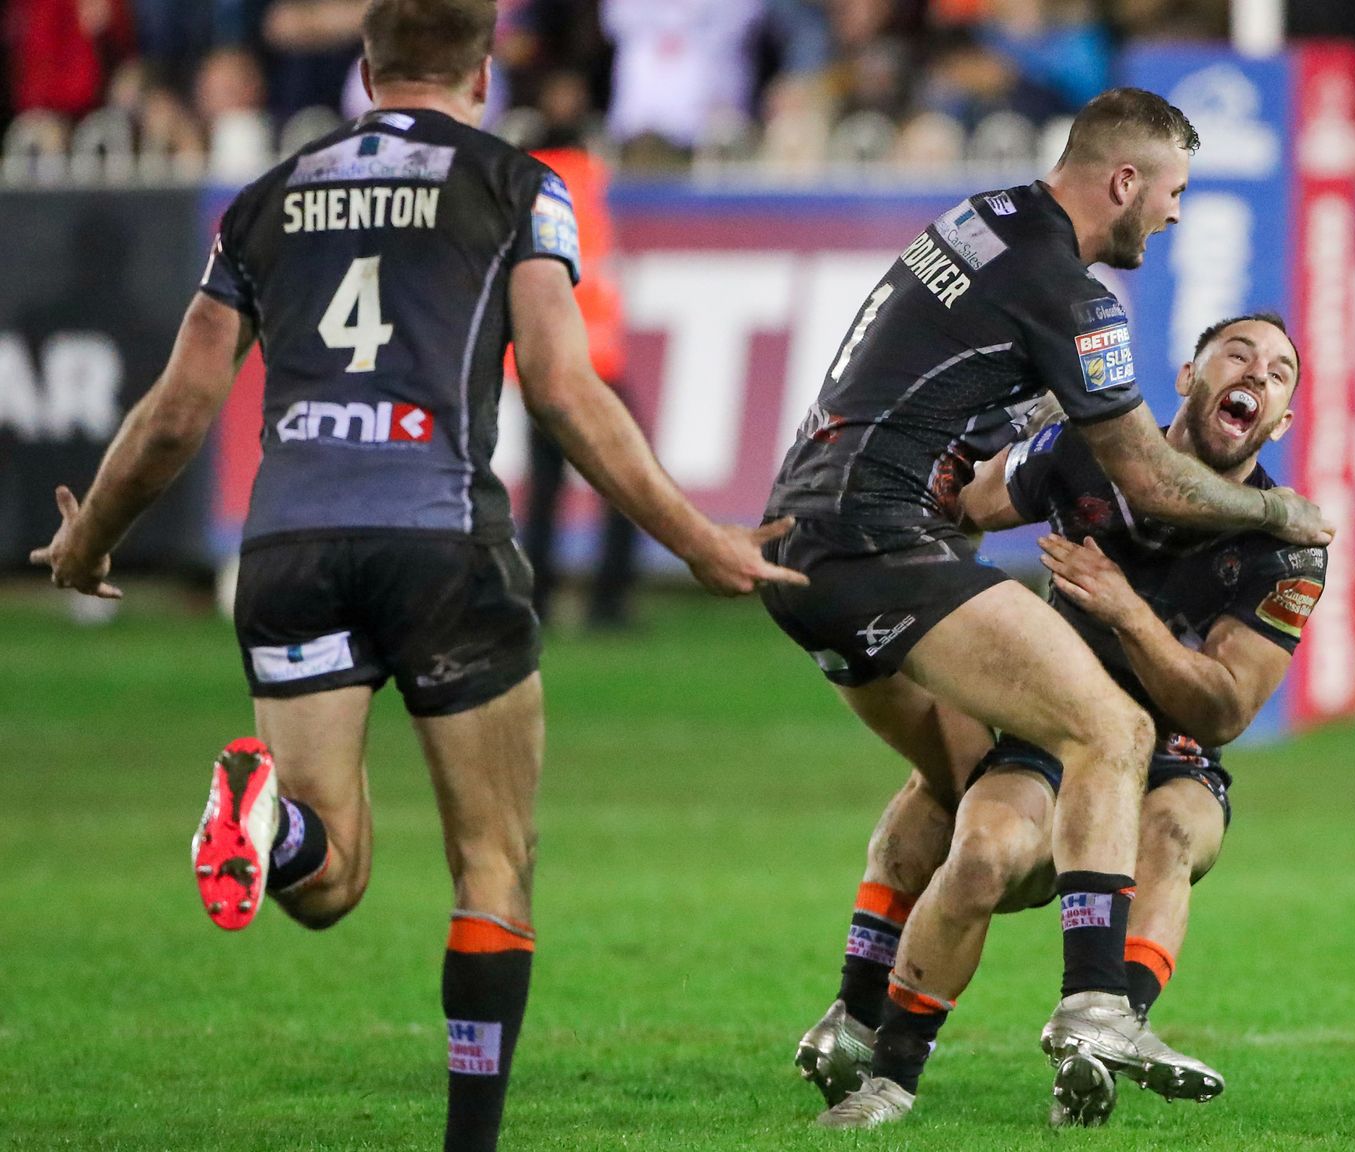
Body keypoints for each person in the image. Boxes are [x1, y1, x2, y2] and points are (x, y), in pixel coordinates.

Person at [29, 2, 803, 1149]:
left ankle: (267, 825)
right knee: (492, 861)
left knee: (327, 877)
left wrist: (92, 535)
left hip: (289, 551)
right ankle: (468, 1144)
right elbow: (562, 385)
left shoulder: (268, 196)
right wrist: (695, 538)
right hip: (441, 544)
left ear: (364, 69)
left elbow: (181, 408)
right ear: (482, 75)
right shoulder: (514, 184)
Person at [758, 86, 1333, 1118]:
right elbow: (1149, 479)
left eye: (1278, 371)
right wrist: (1277, 512)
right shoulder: (1070, 302)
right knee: (1106, 728)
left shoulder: (980, 223)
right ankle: (1092, 1005)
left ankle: (861, 1037)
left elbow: (1219, 707)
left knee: (961, 794)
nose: (1171, 215)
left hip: (807, 543)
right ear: (1123, 181)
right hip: (879, 544)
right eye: (1170, 194)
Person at [804, 313, 1324, 1129]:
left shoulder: (1286, 546)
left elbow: (1224, 711)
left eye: (1280, 372)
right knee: (980, 853)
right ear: (1187, 377)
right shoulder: (1082, 451)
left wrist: (1127, 613)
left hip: (1174, 750)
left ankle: (1104, 1035)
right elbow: (964, 507)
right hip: (1049, 729)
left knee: (1175, 830)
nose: (1258, 374)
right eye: (1238, 353)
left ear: (1282, 421)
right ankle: (889, 1075)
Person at [509, 70, 642, 629]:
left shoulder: (527, 177)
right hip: (579, 359)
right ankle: (602, 600)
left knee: (550, 487)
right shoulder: (577, 174)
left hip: (562, 357)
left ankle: (548, 598)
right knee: (627, 477)